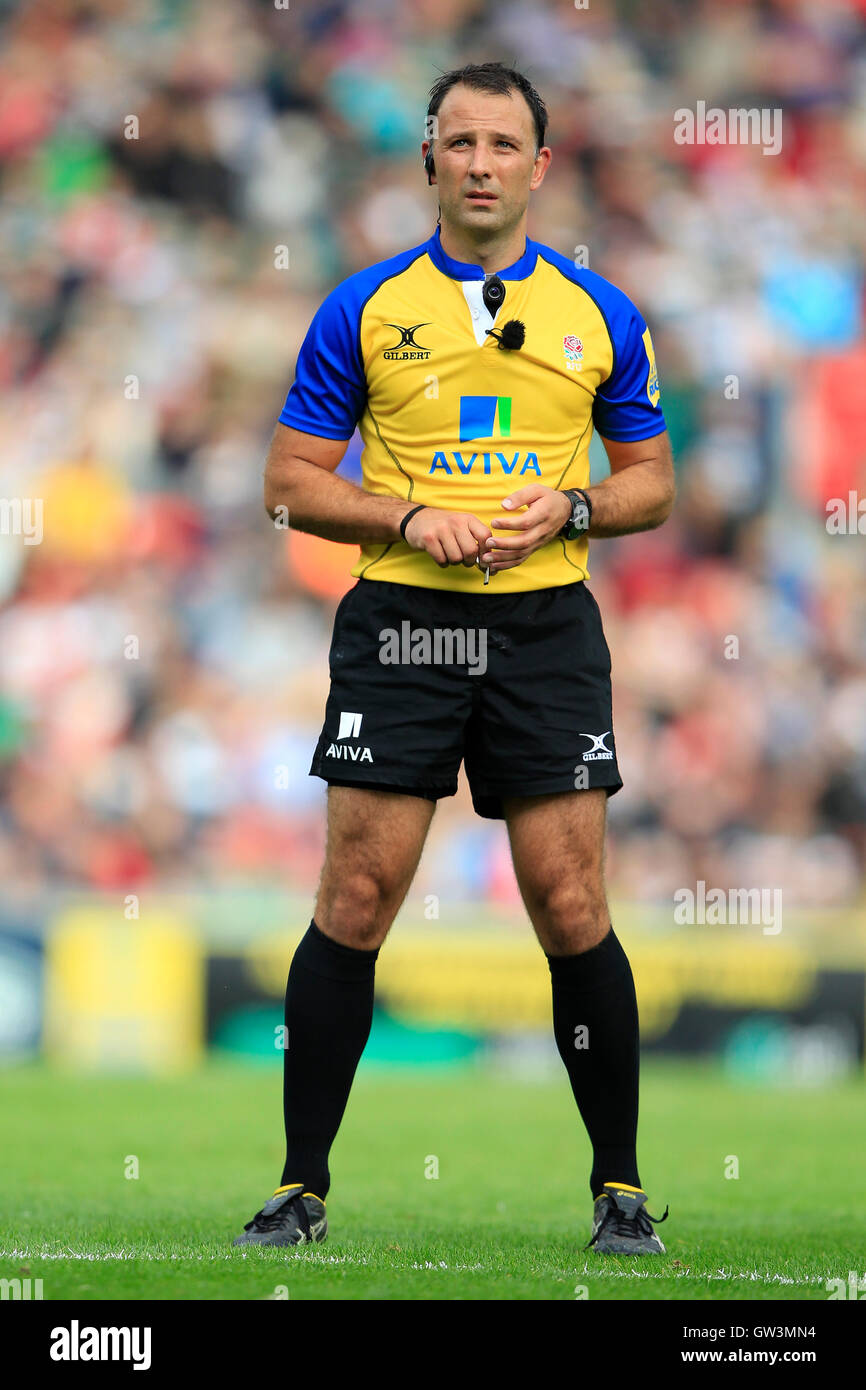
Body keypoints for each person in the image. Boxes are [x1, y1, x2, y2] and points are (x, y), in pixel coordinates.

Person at [234, 61, 674, 1255]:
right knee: (356, 897)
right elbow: (288, 483)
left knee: (569, 901)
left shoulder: (599, 312)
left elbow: (651, 482)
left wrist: (570, 508)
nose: (480, 162)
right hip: (402, 626)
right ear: (427, 159)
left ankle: (620, 1191)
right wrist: (403, 515)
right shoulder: (363, 308)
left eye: (503, 144)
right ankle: (299, 1185)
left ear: (540, 164)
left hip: (543, 631)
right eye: (459, 141)